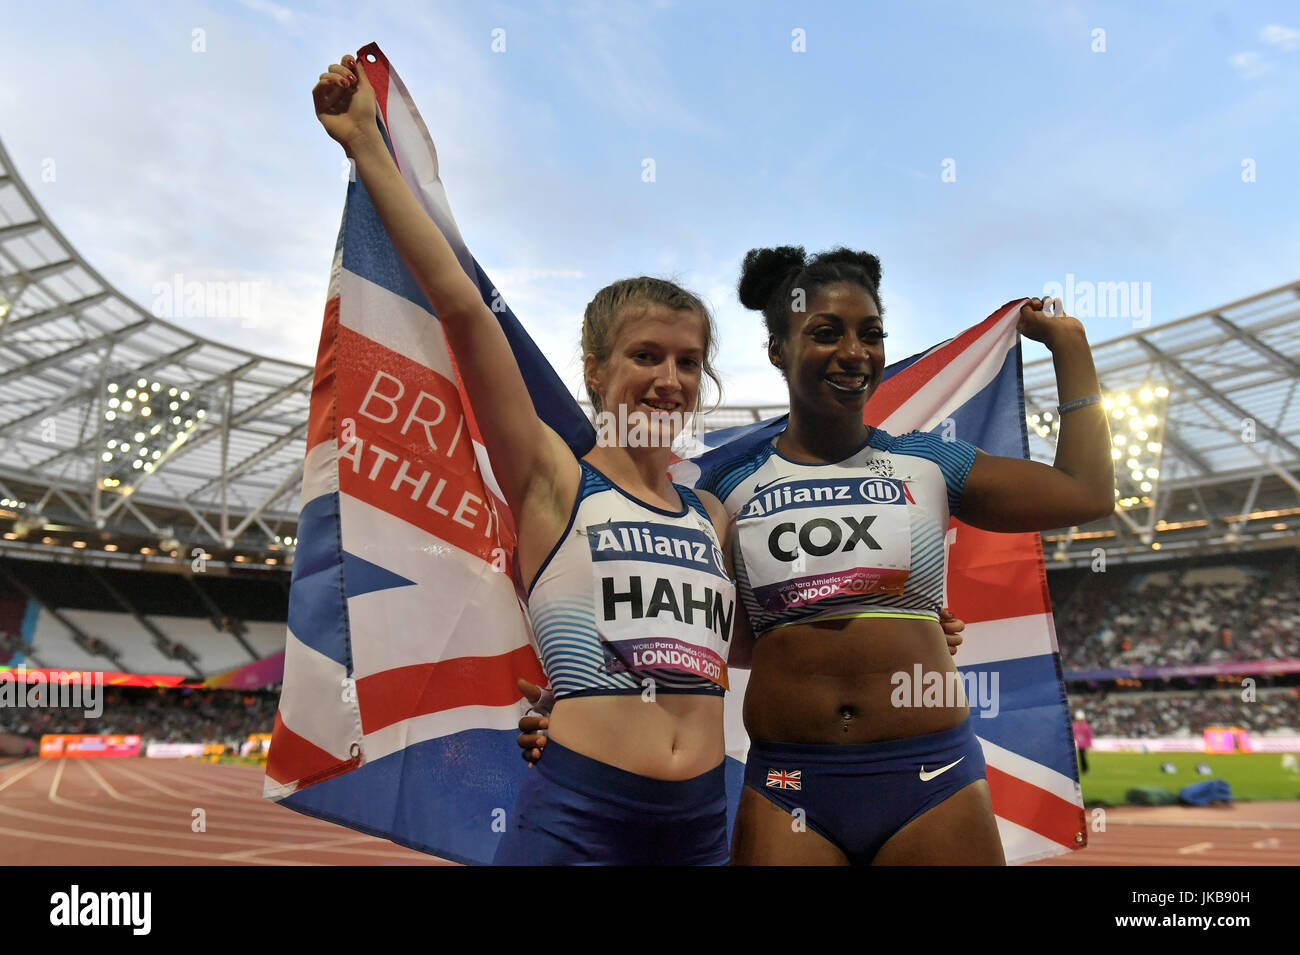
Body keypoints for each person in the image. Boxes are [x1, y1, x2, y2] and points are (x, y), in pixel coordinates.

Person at [526, 247, 1113, 865]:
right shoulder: (718, 490)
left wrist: (1070, 346)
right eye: (826, 333)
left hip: (931, 775)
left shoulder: (930, 462)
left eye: (871, 334)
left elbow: (1086, 490)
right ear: (778, 348)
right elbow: (691, 627)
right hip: (789, 785)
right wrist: (577, 708)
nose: (853, 352)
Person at [314, 54, 740, 864]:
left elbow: (754, 647)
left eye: (688, 362)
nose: (669, 379)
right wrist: (366, 146)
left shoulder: (712, 515)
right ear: (595, 369)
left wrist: (904, 617)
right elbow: (467, 312)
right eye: (646, 355)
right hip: (579, 816)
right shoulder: (552, 475)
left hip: (699, 829)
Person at [1072, 709, 1093, 774]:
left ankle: (1085, 769)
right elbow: (1073, 734)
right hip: (1077, 744)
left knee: (1082, 756)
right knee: (1080, 757)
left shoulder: (1086, 726)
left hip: (1083, 744)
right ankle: (1083, 769)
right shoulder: (1075, 725)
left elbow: (1089, 735)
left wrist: (1089, 743)